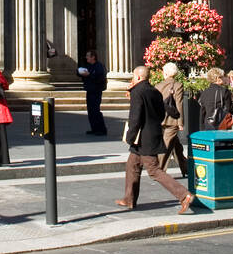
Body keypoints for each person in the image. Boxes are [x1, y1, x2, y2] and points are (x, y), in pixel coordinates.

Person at [117, 66, 194, 213]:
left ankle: (184, 195)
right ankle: (129, 198)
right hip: (153, 134)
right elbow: (160, 114)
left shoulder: (137, 92)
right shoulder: (154, 91)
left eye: (133, 76)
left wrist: (130, 136)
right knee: (132, 164)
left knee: (154, 170)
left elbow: (135, 117)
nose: (132, 79)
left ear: (138, 77)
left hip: (143, 139)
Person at [157, 62, 187, 177]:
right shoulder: (177, 85)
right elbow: (179, 104)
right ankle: (159, 171)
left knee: (175, 145)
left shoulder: (158, 86)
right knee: (167, 144)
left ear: (165, 73)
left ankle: (185, 167)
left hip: (160, 119)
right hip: (172, 120)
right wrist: (180, 122)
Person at [78, 49, 108, 136]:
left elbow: (100, 78)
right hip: (89, 90)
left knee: (96, 110)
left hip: (96, 91)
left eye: (88, 56)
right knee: (90, 111)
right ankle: (94, 128)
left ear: (93, 57)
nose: (86, 57)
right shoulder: (88, 66)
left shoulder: (99, 66)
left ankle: (102, 129)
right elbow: (79, 72)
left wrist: (89, 75)